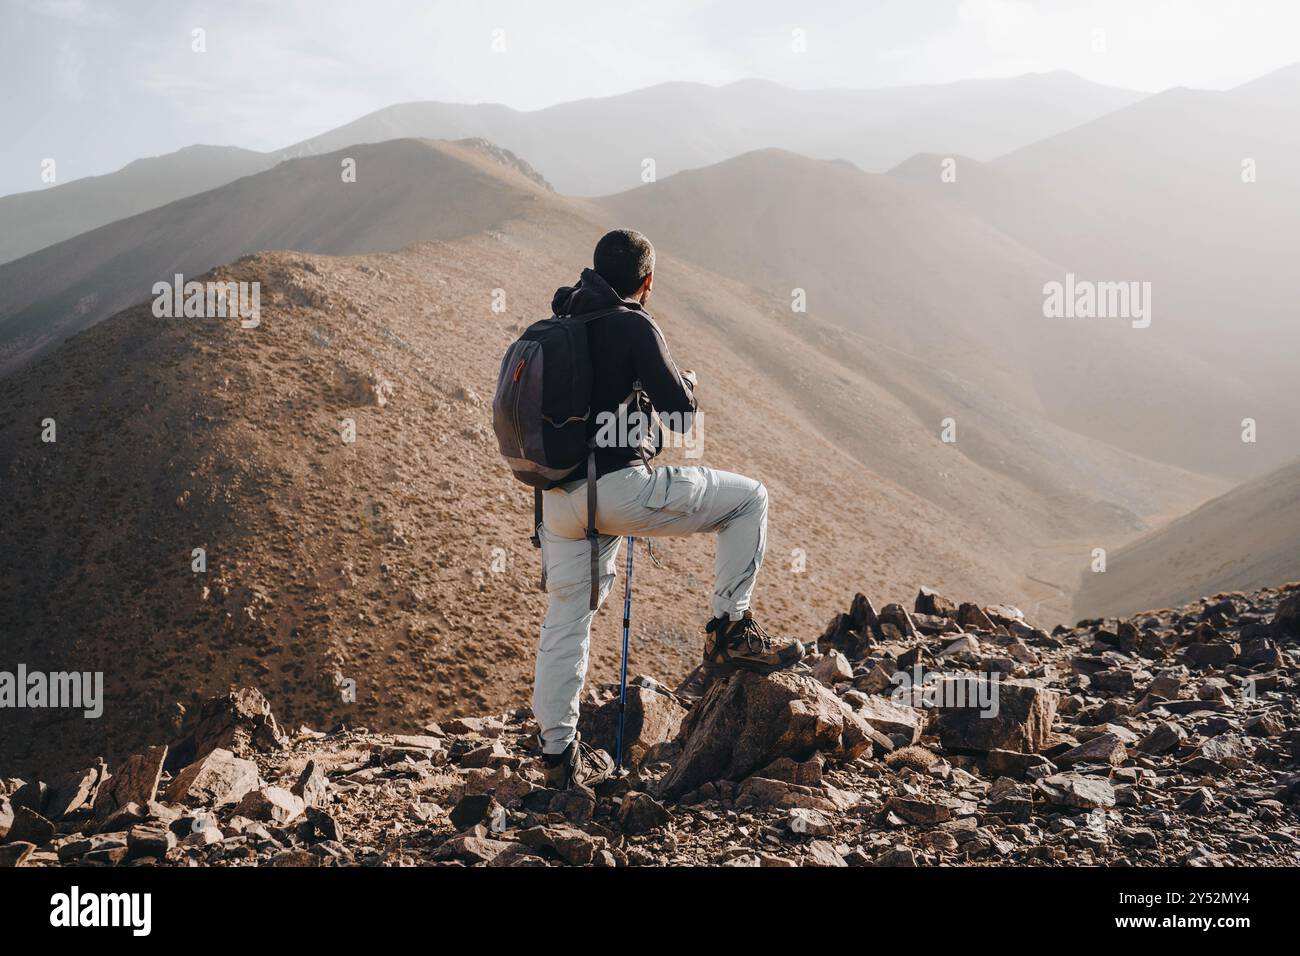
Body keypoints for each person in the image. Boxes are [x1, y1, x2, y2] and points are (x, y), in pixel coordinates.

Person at [534, 228, 804, 790]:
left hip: (557, 500)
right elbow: (682, 421)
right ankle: (731, 630)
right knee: (750, 498)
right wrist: (679, 386)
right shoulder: (633, 323)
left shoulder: (561, 323)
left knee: (565, 625)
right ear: (647, 282)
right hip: (618, 491)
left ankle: (557, 756)